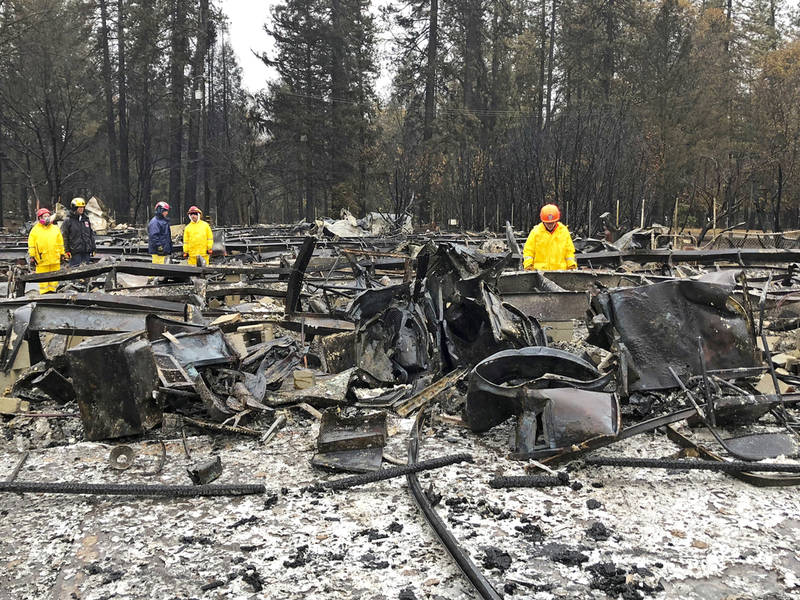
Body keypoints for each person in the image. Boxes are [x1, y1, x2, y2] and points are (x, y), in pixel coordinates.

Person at [522, 203, 578, 271]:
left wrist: (571, 265)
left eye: (552, 223)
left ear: (556, 221)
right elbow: (529, 251)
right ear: (543, 221)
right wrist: (528, 266)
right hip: (540, 272)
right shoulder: (535, 232)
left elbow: (569, 251)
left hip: (560, 272)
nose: (550, 225)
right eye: (547, 223)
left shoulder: (563, 231)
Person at [28, 207, 65, 294]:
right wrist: (32, 256)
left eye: (48, 216)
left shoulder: (55, 229)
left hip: (54, 258)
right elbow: (31, 245)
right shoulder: (35, 230)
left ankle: (53, 292)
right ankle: (44, 293)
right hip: (42, 259)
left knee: (54, 277)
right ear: (40, 218)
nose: (47, 218)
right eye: (45, 216)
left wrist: (62, 254)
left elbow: (60, 243)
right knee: (43, 278)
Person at [61, 197, 96, 266]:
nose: (81, 209)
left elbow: (90, 234)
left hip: (86, 252)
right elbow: (64, 237)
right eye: (79, 207)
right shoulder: (68, 221)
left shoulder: (85, 220)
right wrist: (66, 251)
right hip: (75, 253)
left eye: (83, 207)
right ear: (74, 208)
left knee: (87, 270)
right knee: (75, 270)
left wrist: (93, 248)